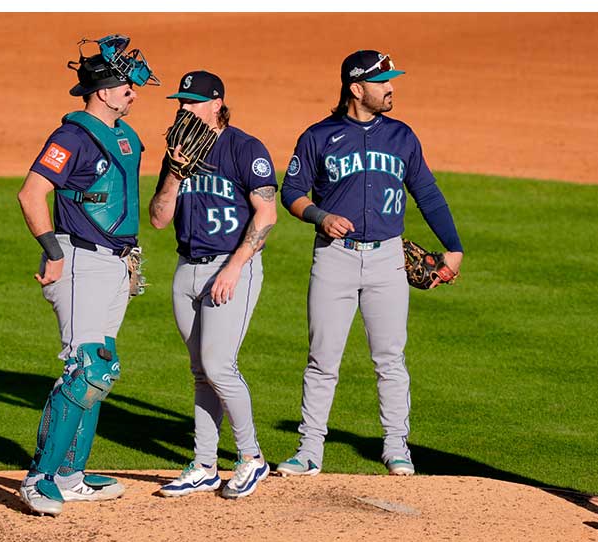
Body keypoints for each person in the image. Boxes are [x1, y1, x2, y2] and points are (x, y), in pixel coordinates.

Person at [276, 50, 464, 478]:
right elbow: (292, 191)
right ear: (356, 89)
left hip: (388, 260)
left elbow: (428, 194)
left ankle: (397, 446)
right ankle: (309, 450)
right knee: (322, 359)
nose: (391, 87)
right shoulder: (318, 136)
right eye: (383, 82)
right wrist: (320, 216)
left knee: (390, 359)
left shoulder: (402, 137)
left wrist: (452, 247)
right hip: (334, 259)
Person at [13, 34, 159, 516]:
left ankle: (71, 474)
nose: (134, 93)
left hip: (115, 264)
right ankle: (39, 478)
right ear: (102, 90)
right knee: (84, 368)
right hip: (77, 261)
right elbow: (31, 194)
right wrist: (51, 252)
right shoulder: (70, 137)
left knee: (102, 368)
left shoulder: (125, 136)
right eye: (125, 87)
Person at [148, 71, 278, 499]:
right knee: (202, 371)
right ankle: (204, 464)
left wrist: (235, 268)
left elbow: (266, 215)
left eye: (192, 102)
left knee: (220, 365)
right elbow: (159, 217)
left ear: (217, 104)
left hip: (230, 267)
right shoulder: (179, 152)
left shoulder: (245, 148)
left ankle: (251, 458)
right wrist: (174, 173)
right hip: (187, 268)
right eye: (179, 102)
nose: (183, 109)